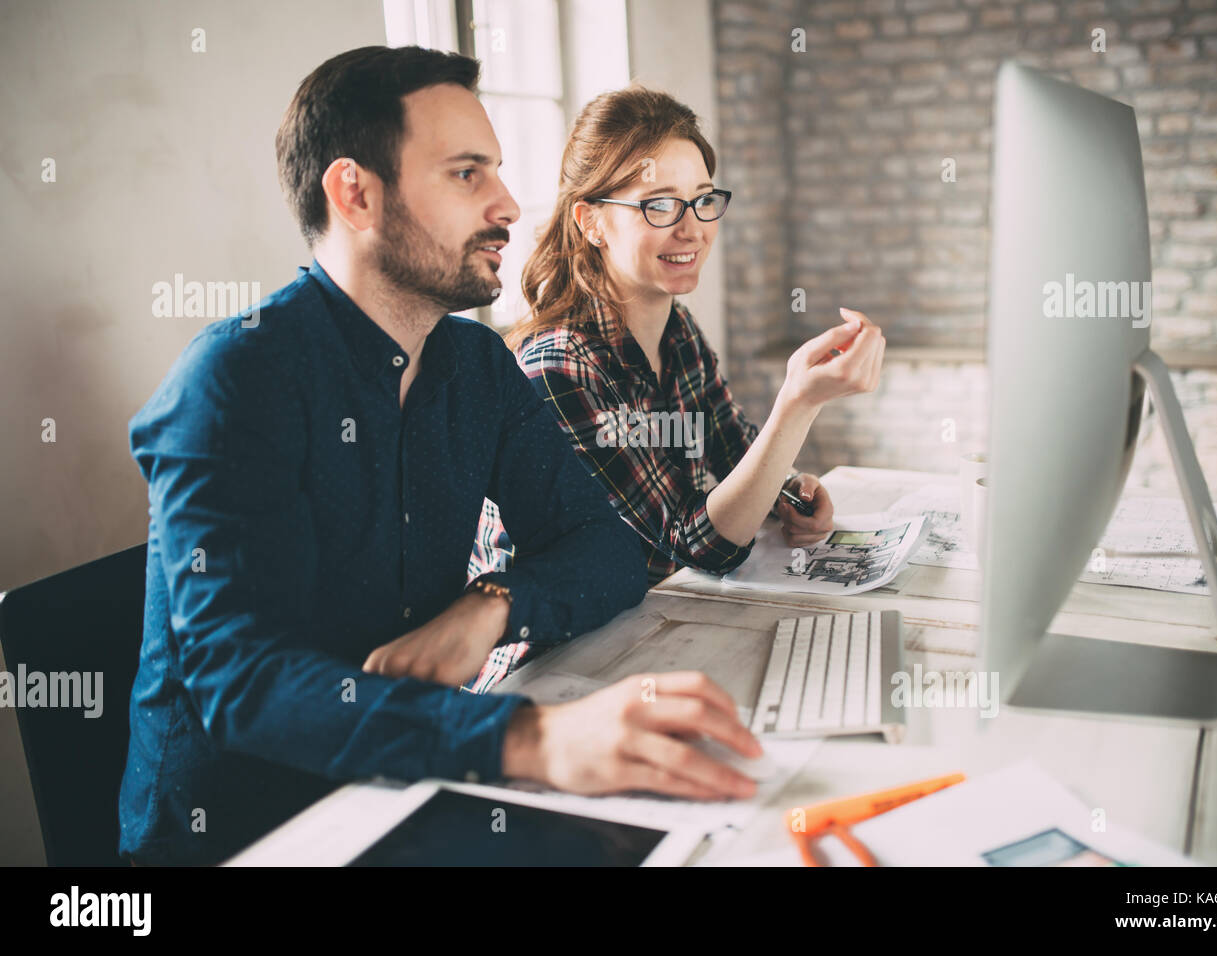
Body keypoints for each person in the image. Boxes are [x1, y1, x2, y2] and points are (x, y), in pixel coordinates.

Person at [122, 48, 761, 866]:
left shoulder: (472, 363)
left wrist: (492, 603)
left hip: (422, 778)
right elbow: (248, 686)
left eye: (495, 170)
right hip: (254, 835)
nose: (507, 203)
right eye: (466, 175)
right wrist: (529, 739)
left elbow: (602, 548)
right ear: (355, 193)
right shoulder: (235, 380)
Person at [469, 86, 885, 691]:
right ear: (591, 221)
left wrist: (790, 492)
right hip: (545, 671)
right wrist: (800, 402)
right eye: (658, 205)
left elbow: (738, 453)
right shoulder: (559, 368)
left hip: (647, 623)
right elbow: (700, 544)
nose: (691, 229)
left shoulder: (676, 329)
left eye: (701, 200)